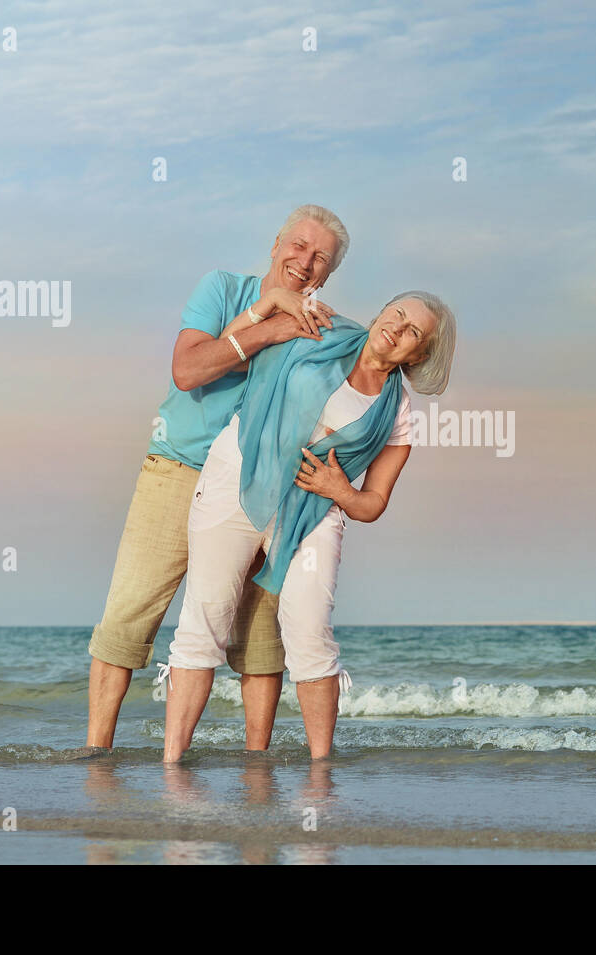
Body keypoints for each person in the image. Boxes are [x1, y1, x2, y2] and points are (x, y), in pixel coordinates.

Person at [85, 205, 350, 752]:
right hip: (178, 468)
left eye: (320, 257)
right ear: (276, 245)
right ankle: (97, 754)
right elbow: (188, 371)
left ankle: (258, 766)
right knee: (130, 616)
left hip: (257, 487)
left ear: (328, 275)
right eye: (298, 246)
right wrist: (266, 321)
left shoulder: (320, 330)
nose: (304, 261)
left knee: (259, 638)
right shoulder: (224, 289)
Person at [159, 291, 457, 761]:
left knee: (311, 630)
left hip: (314, 506)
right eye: (396, 314)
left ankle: (321, 771)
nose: (397, 329)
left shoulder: (396, 413)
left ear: (419, 355)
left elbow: (372, 502)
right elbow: (233, 347)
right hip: (237, 477)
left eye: (413, 332)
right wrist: (269, 306)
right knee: (204, 621)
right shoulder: (321, 330)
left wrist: (341, 490)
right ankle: (173, 765)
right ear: (381, 311)